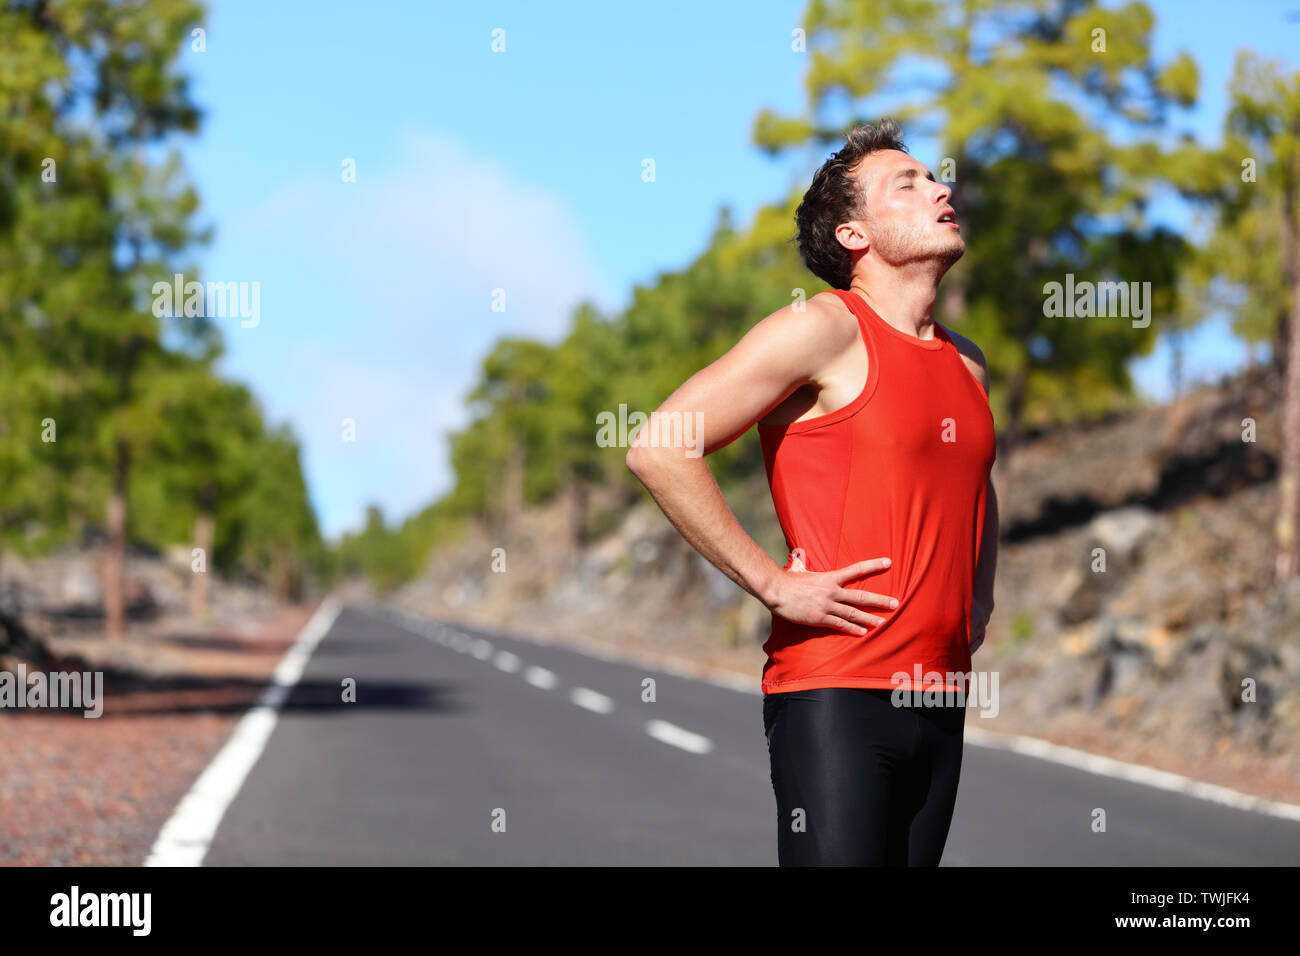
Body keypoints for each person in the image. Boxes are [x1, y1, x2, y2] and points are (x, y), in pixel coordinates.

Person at [625, 118, 999, 866]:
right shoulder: (823, 330)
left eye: (934, 178)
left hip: (940, 695)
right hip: (836, 691)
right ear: (854, 235)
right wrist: (772, 584)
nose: (940, 190)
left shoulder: (968, 363)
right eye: (908, 184)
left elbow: (977, 489)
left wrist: (978, 601)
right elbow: (659, 446)